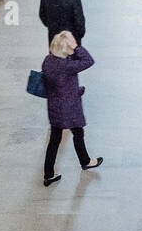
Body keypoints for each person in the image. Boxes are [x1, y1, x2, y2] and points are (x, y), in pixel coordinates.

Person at [40, 31, 103, 186]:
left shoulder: (48, 61)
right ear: (65, 48)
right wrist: (76, 46)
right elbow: (88, 61)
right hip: (69, 108)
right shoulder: (66, 66)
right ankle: (86, 161)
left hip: (55, 107)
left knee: (55, 140)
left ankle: (49, 174)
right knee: (78, 133)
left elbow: (60, 85)